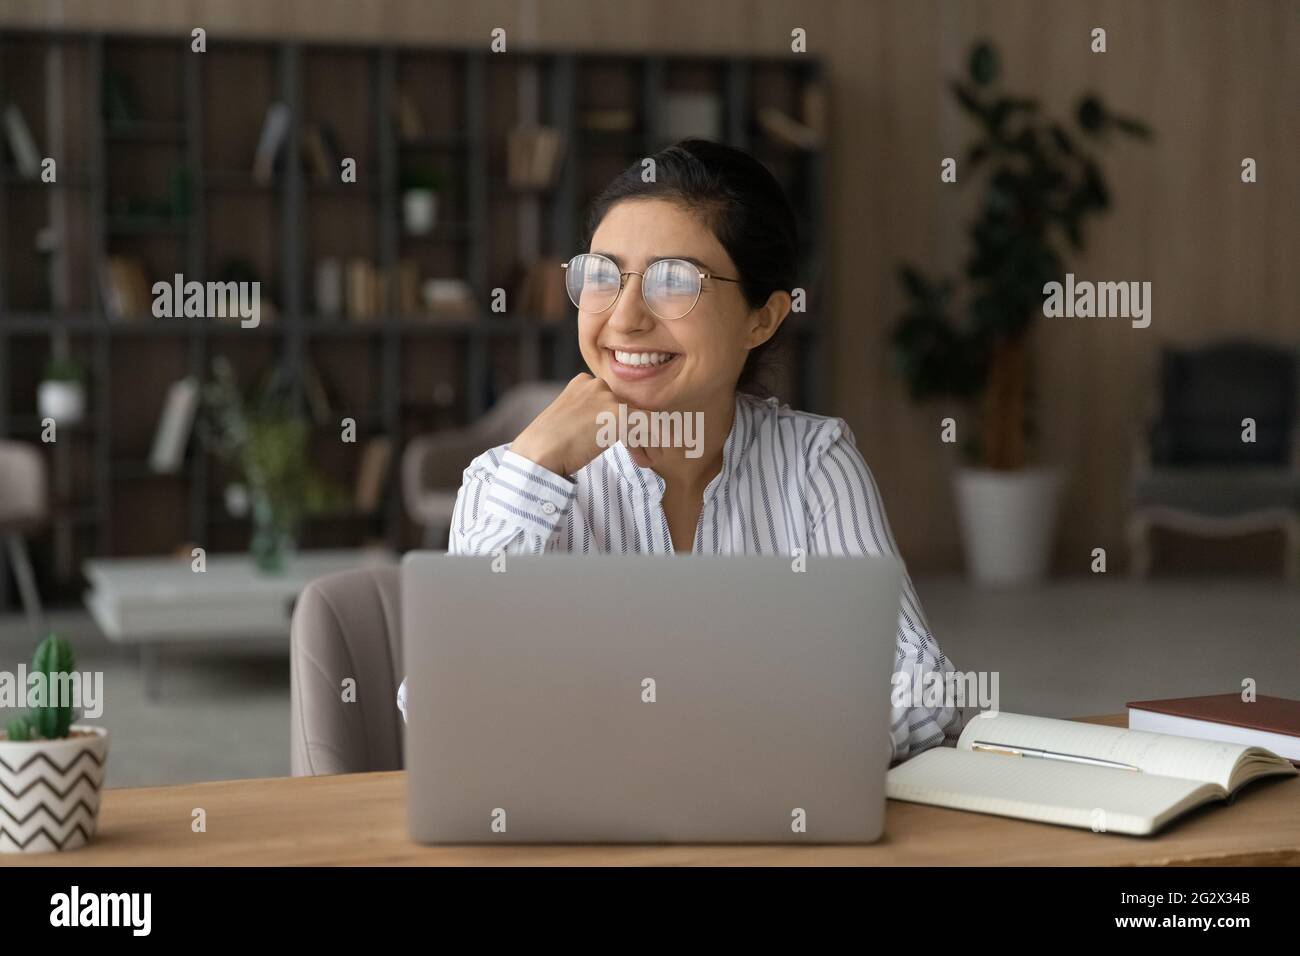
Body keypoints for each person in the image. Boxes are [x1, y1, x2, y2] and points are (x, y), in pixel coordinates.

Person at [398, 139, 962, 762]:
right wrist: (534, 466)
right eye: (603, 276)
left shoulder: (813, 464)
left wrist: (758, 754)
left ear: (763, 318)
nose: (625, 318)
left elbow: (921, 685)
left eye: (674, 282)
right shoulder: (504, 483)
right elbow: (445, 705)